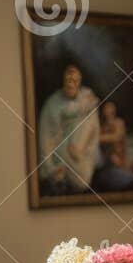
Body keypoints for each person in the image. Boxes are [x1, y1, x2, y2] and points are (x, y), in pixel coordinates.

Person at [37, 63, 100, 193]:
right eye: (68, 80)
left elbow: (94, 133)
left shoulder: (87, 99)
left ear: (79, 82)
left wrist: (81, 152)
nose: (71, 84)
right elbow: (45, 138)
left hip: (81, 154)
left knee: (82, 182)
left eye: (75, 81)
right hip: (60, 151)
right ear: (63, 80)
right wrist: (50, 167)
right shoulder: (52, 103)